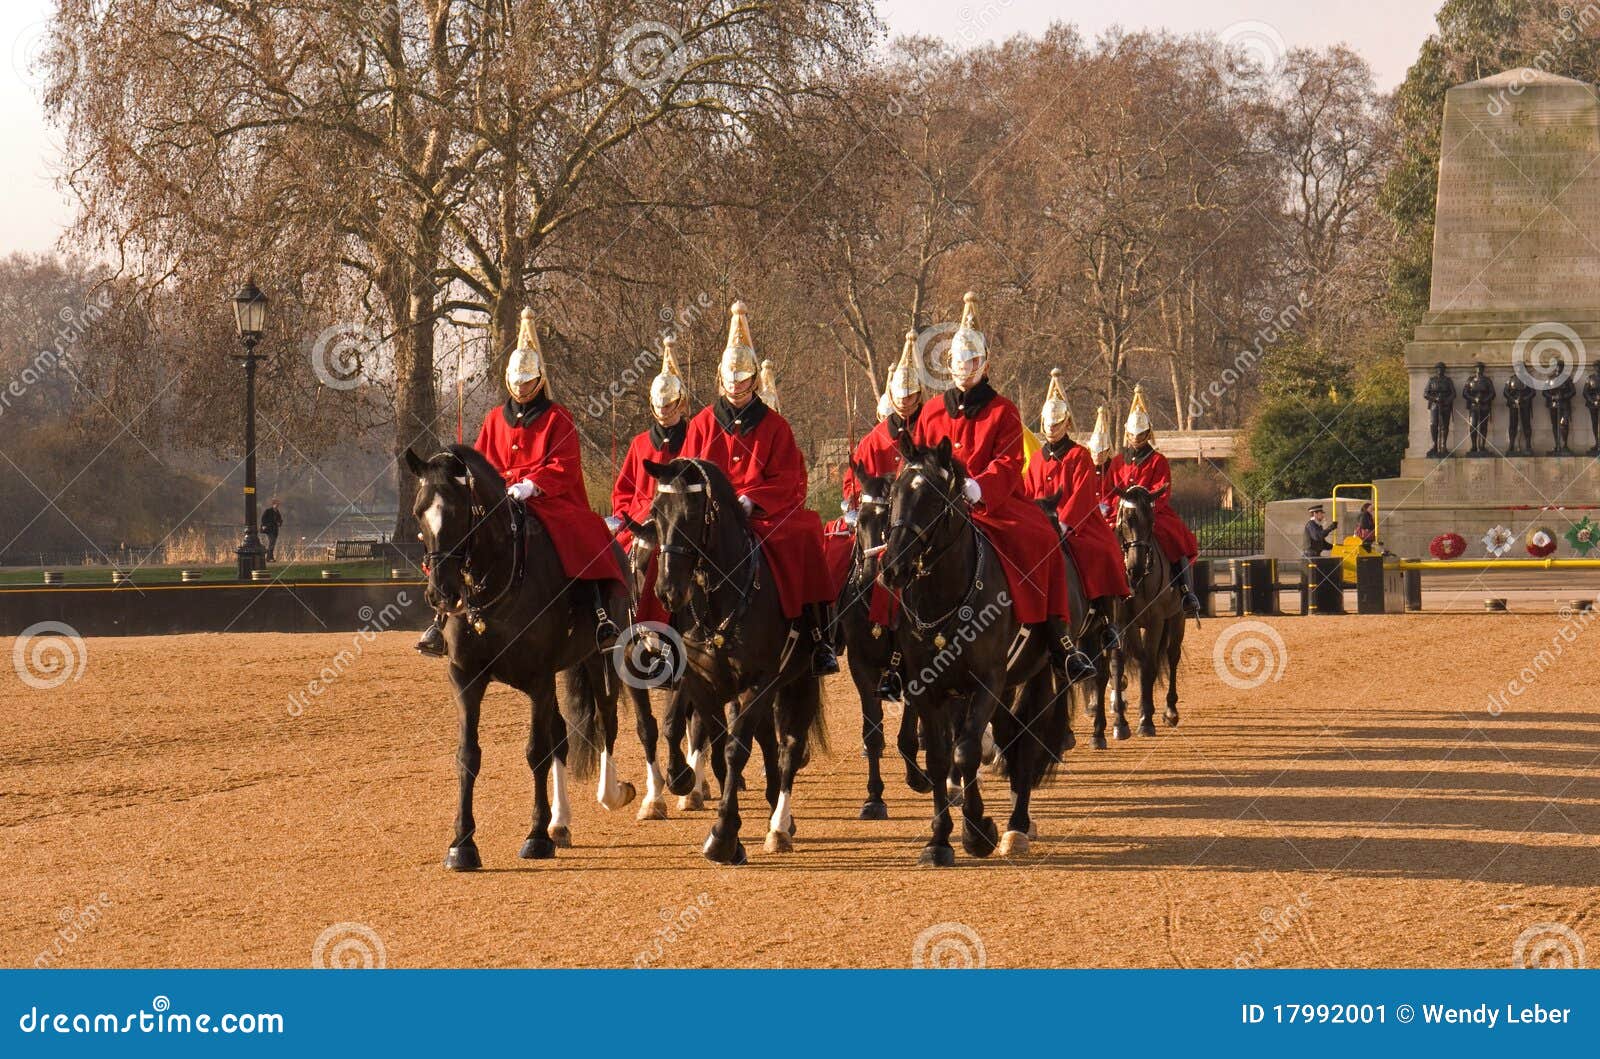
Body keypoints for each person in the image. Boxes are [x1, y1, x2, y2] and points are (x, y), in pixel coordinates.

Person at [416, 308, 624, 658]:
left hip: (546, 499)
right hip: (499, 499)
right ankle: (441, 618)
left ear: (539, 380)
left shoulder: (559, 418)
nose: (522, 388)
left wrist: (532, 485)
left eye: (528, 382)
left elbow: (566, 465)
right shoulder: (494, 418)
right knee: (457, 536)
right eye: (517, 381)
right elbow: (481, 461)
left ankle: (600, 614)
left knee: (586, 532)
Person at [911, 292, 1094, 683]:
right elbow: (918, 463)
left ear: (985, 364)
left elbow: (1011, 462)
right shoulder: (929, 412)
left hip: (991, 505)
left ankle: (1058, 637)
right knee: (898, 550)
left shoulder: (1003, 411)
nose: (964, 369)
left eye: (972, 362)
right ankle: (895, 644)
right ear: (949, 365)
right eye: (958, 362)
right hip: (940, 510)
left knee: (1044, 539)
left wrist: (980, 487)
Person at [680, 302, 838, 676]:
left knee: (805, 537)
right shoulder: (701, 423)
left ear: (753, 380)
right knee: (668, 549)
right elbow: (687, 473)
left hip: (762, 516)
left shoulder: (776, 427)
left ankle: (819, 636)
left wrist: (755, 499)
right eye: (730, 378)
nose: (735, 384)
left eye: (742, 377)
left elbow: (789, 479)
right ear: (721, 378)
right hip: (711, 518)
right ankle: (665, 635)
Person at [1023, 368, 1130, 644]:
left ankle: (1107, 620)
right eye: (1048, 424)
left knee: (1103, 552)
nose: (1051, 429)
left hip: (1077, 524)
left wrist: (1064, 521)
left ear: (1067, 423)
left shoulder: (1079, 455)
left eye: (1057, 424)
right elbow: (1029, 492)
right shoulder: (1036, 459)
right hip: (1041, 525)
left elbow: (1084, 493)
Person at [609, 336, 690, 629]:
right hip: (643, 517)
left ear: (681, 404)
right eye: (660, 406)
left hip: (682, 519)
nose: (665, 412)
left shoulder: (694, 439)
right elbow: (623, 490)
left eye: (670, 406)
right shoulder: (640, 443)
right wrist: (625, 516)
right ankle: (608, 619)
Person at [1106, 385, 1202, 616]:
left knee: (1175, 536)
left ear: (1147, 434)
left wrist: (1146, 508)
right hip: (1122, 513)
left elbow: (1162, 490)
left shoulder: (1158, 460)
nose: (1136, 440)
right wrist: (1113, 510)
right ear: (1127, 434)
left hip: (1151, 511)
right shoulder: (1118, 461)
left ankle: (1185, 589)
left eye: (1140, 435)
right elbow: (1111, 490)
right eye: (1132, 435)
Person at [1085, 405, 1117, 526]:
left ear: (1107, 451)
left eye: (1101, 452)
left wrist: (1109, 510)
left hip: (1111, 516)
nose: (1097, 456)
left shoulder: (1114, 471)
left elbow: (1118, 495)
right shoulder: (1084, 470)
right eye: (1094, 452)